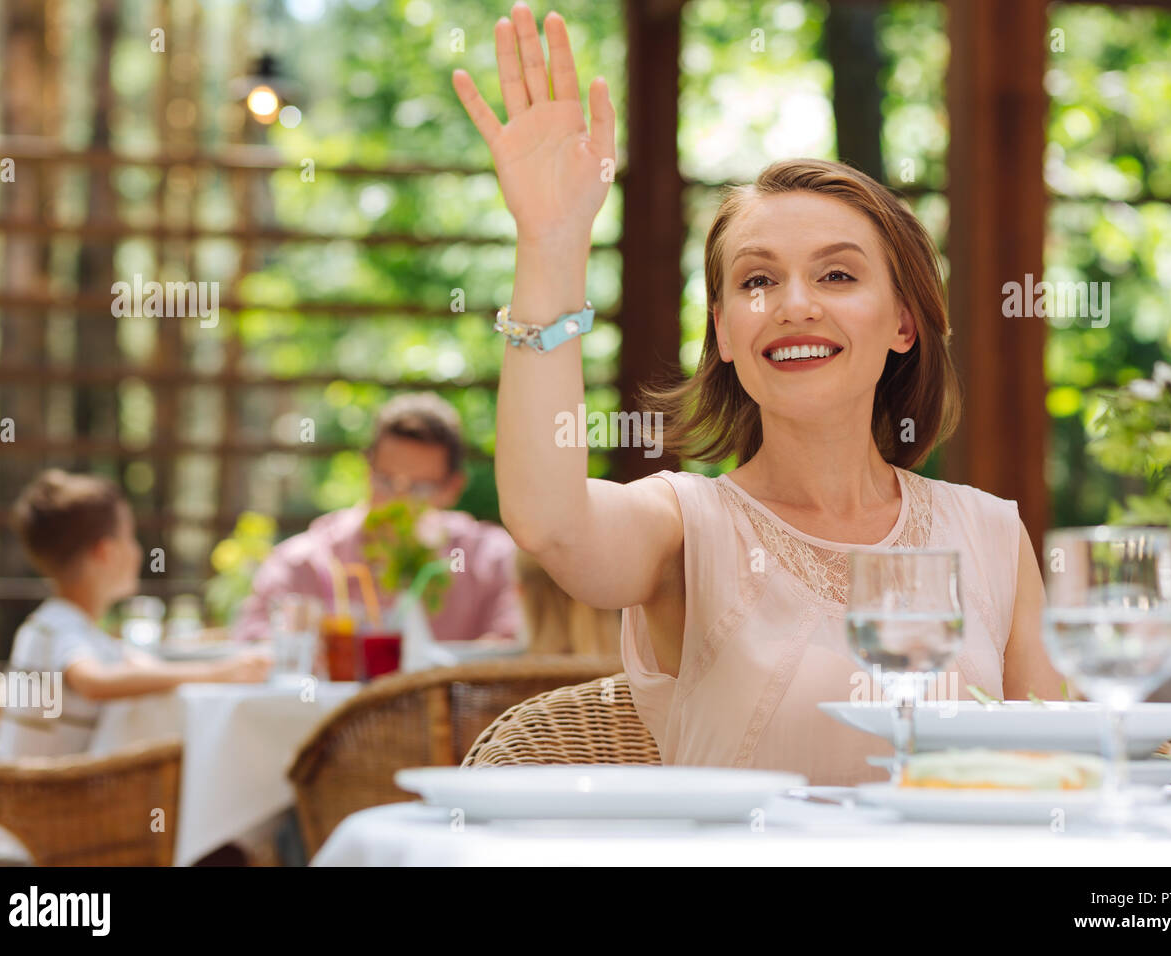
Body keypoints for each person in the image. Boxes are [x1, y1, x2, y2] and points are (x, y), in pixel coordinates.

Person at [451, 3, 1065, 786]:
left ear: (905, 323)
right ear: (727, 333)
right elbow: (547, 520)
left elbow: (1056, 774)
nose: (793, 303)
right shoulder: (683, 526)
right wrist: (551, 243)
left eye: (837, 274)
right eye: (757, 281)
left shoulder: (989, 535)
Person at [0, 470, 271, 759]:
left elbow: (129, 663)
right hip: (57, 794)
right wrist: (216, 674)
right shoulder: (63, 625)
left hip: (42, 787)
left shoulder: (52, 623)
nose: (138, 551)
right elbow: (93, 682)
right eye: (130, 538)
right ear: (105, 552)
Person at [234, 392, 523, 645]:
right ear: (367, 471)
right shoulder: (304, 561)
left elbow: (512, 648)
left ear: (452, 488)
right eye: (386, 481)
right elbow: (255, 646)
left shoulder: (488, 559)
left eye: (419, 488)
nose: (398, 500)